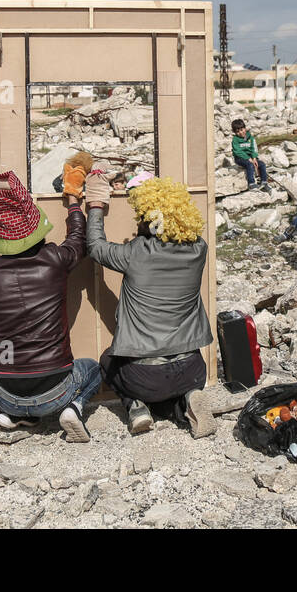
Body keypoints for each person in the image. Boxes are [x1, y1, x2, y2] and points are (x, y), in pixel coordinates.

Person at [0, 167, 101, 442]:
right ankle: (73, 409)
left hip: (1, 391)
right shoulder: (54, 261)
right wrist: (74, 202)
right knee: (93, 369)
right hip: (55, 391)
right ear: (37, 231)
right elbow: (78, 241)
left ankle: (15, 413)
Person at [84, 173, 215, 438]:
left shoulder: (136, 253)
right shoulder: (199, 249)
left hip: (142, 377)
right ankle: (188, 399)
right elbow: (166, 234)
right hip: (192, 370)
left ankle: (135, 407)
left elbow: (96, 247)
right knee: (170, 394)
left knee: (108, 360)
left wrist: (96, 206)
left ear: (149, 219)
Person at [231, 119, 269, 191]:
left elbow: (253, 148)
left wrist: (254, 158)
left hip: (250, 157)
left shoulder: (250, 137)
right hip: (239, 158)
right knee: (250, 165)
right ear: (235, 132)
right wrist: (248, 158)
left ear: (245, 128)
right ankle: (251, 183)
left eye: (242, 130)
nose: (241, 132)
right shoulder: (235, 140)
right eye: (237, 132)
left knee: (261, 164)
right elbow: (237, 151)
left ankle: (264, 182)